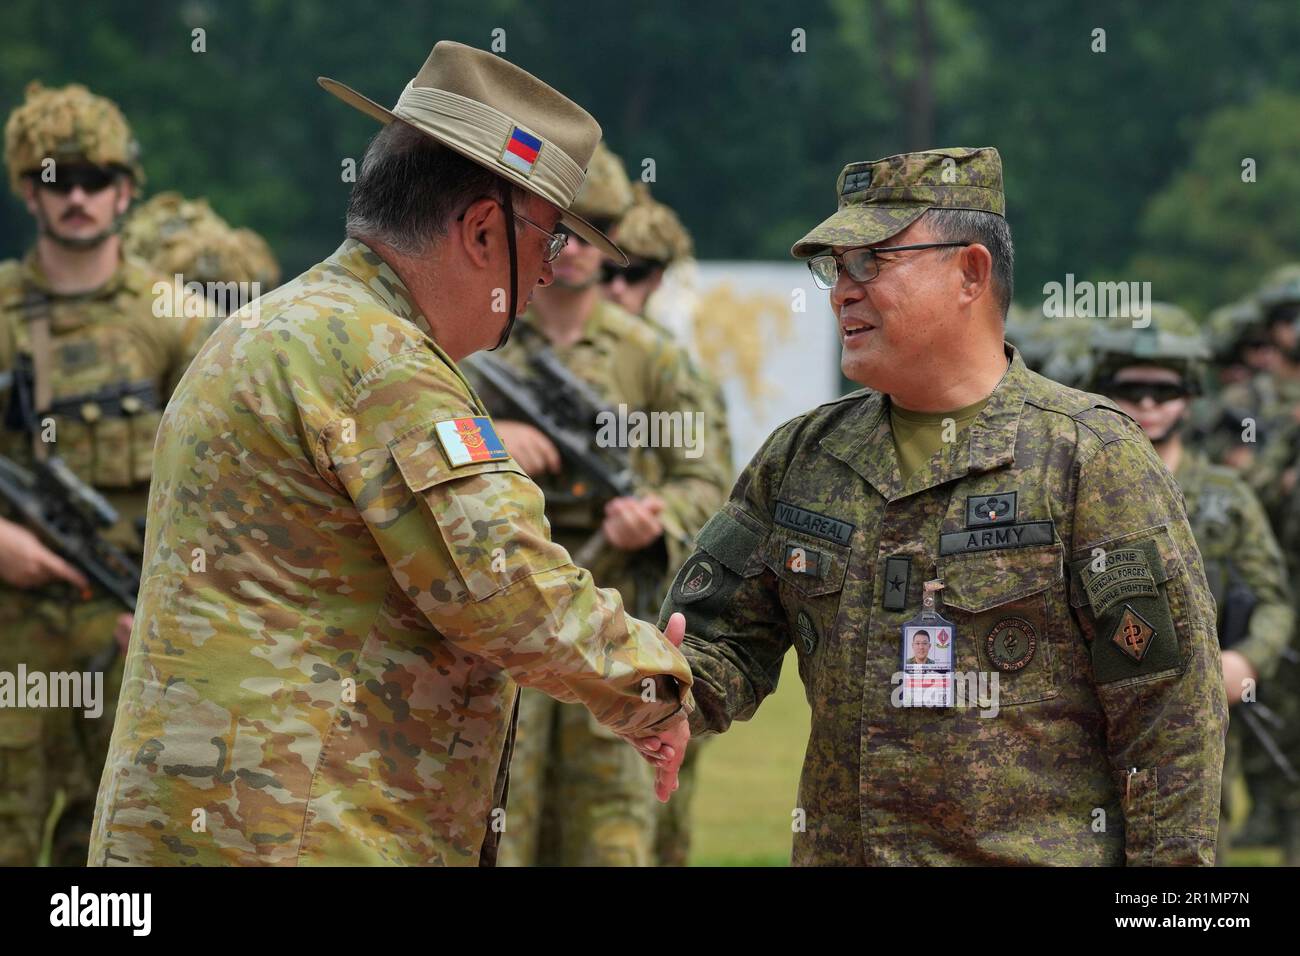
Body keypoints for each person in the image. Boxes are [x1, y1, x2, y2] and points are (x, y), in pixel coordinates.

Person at [88, 40, 693, 868]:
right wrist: (654, 685)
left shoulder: (277, 324)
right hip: (300, 826)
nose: (550, 276)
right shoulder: (381, 362)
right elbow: (507, 590)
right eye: (549, 244)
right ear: (483, 230)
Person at [654, 146, 1226, 865]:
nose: (842, 292)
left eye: (873, 263)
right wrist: (664, 695)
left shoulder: (1086, 455)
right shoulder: (801, 457)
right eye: (836, 268)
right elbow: (720, 640)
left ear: (971, 272)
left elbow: (1168, 710)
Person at [476, 144, 730, 867]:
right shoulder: (482, 347)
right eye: (567, 224)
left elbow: (708, 481)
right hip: (506, 620)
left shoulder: (654, 360)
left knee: (613, 836)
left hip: (616, 615)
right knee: (496, 829)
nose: (583, 246)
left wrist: (657, 516)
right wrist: (493, 439)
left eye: (602, 228)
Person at [0, 82, 206, 866]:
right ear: (29, 189)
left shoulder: (177, 318)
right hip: (13, 633)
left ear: (126, 190)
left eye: (96, 179)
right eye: (59, 179)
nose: (78, 196)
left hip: (130, 627)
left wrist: (164, 603)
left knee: (128, 842)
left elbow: (222, 487)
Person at [1091, 303, 1295, 864]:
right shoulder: (1071, 488)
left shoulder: (1226, 498)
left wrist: (1246, 662)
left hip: (1193, 731)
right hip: (1084, 727)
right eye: (1132, 391)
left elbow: (1275, 599)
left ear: (1191, 394)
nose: (1150, 406)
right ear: (1103, 390)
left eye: (1166, 391)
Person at [606, 185, 735, 867]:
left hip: (656, 616)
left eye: (634, 274)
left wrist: (661, 518)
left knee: (653, 823)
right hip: (552, 623)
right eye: (607, 269)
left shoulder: (676, 369)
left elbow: (714, 491)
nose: (618, 289)